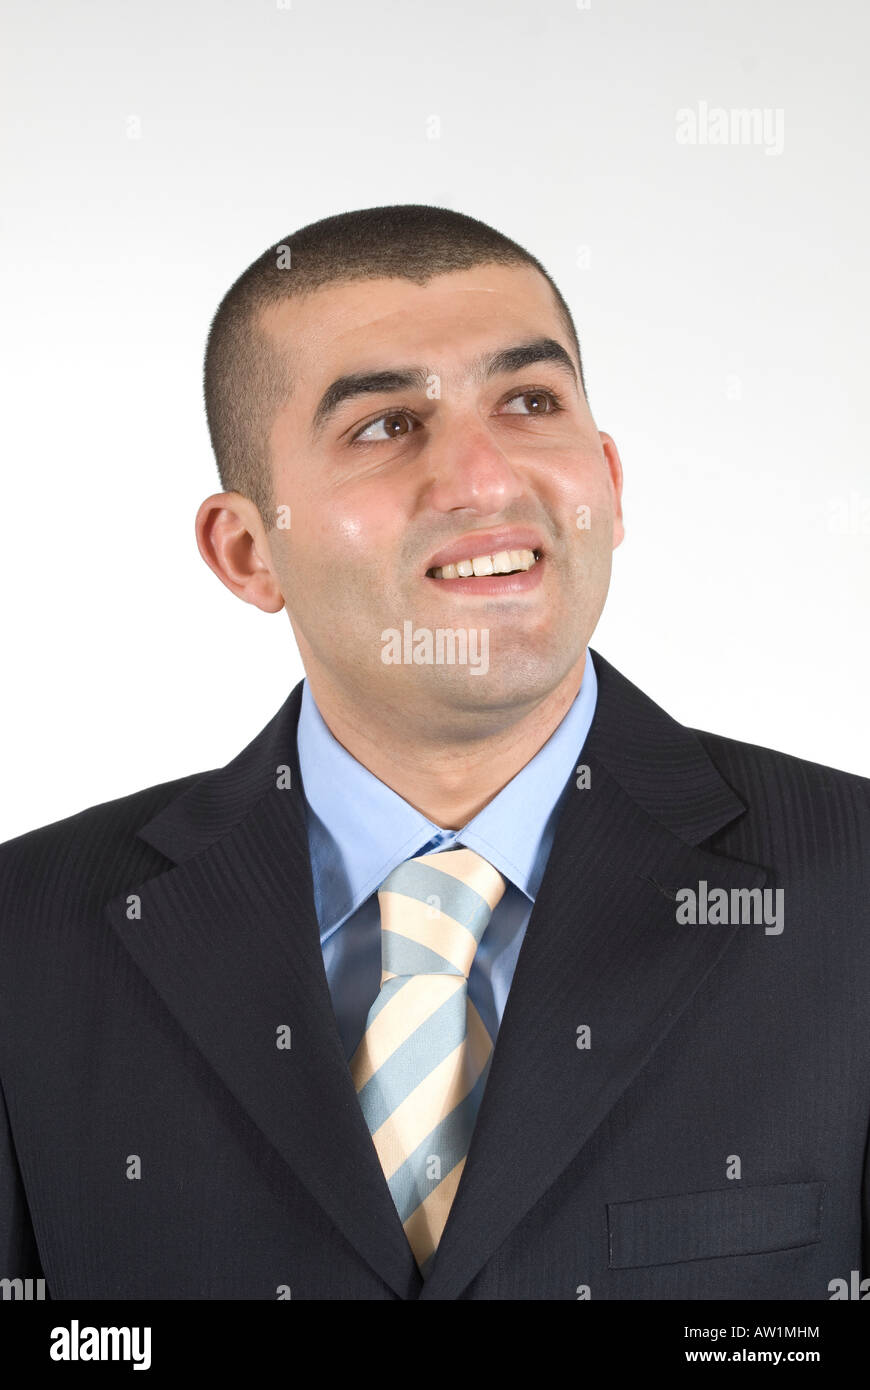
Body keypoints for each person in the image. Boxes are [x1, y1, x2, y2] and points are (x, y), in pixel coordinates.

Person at [1, 204, 868, 1302]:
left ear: (606, 477)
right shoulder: (26, 935)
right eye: (383, 425)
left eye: (529, 402)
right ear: (246, 550)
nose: (483, 478)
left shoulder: (854, 893)